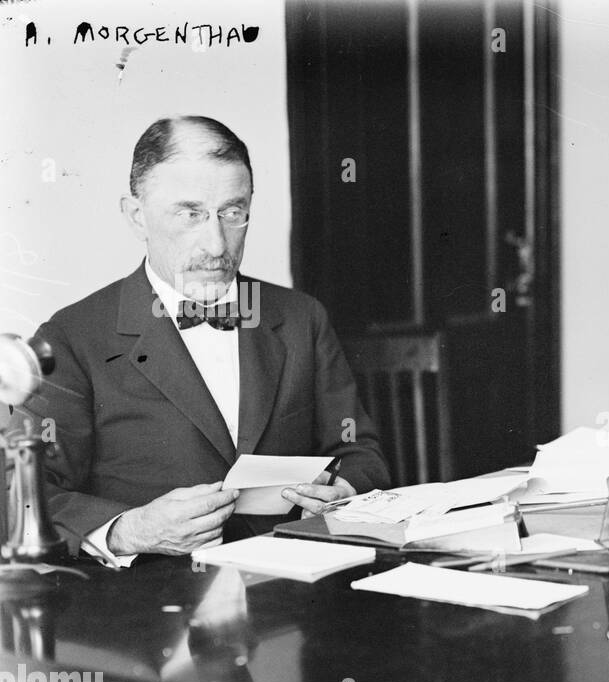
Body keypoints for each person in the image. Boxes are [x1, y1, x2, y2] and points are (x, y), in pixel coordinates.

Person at [24, 116, 390, 563]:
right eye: (189, 213)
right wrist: (127, 531)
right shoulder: (69, 338)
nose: (217, 245)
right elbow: (23, 494)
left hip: (290, 593)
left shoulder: (300, 318)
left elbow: (358, 451)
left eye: (233, 212)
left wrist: (343, 488)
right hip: (147, 607)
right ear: (136, 216)